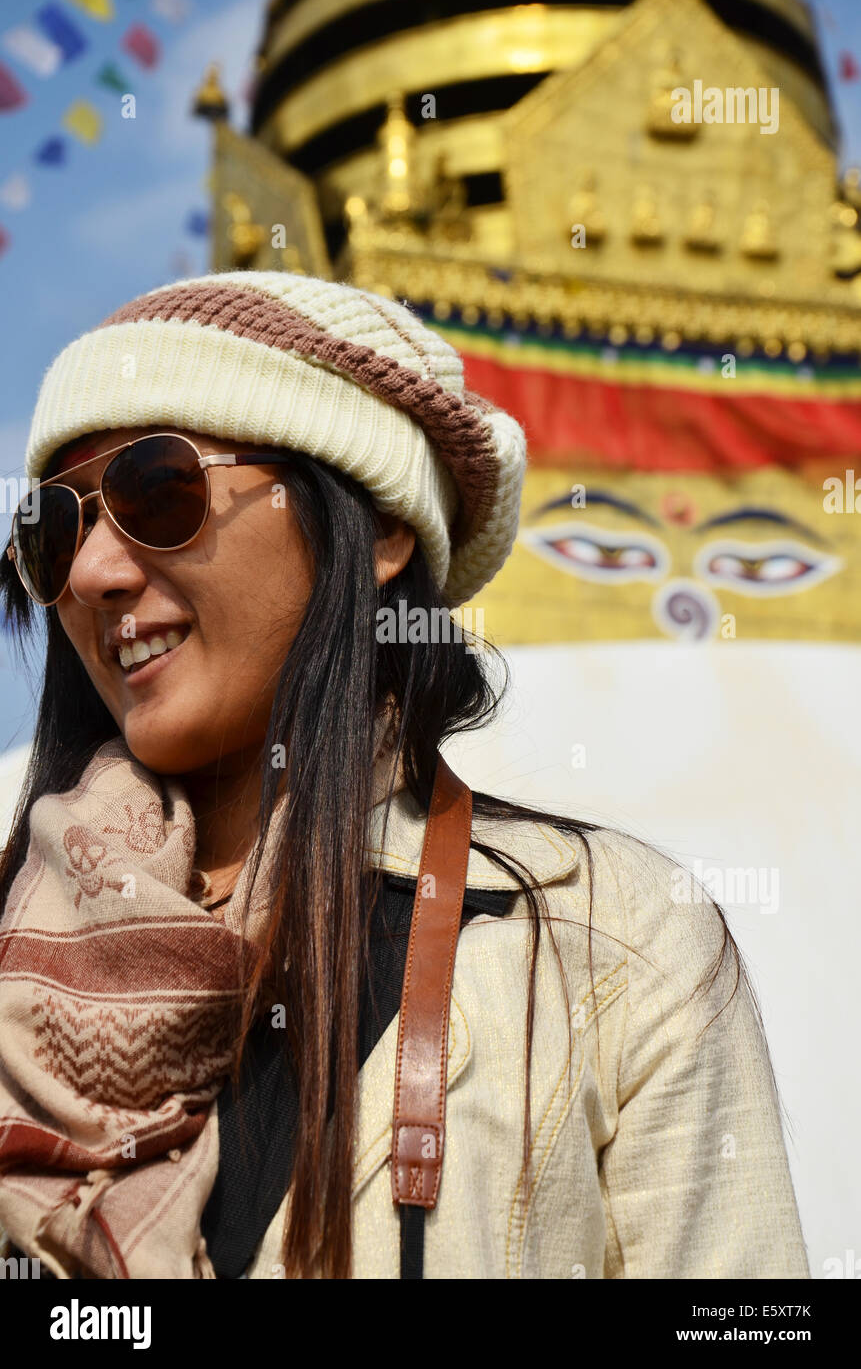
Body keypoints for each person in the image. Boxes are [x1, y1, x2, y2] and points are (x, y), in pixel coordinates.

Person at [0, 271, 809, 1280]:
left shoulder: (614, 940)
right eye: (56, 525)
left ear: (379, 526)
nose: (90, 574)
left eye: (160, 491)